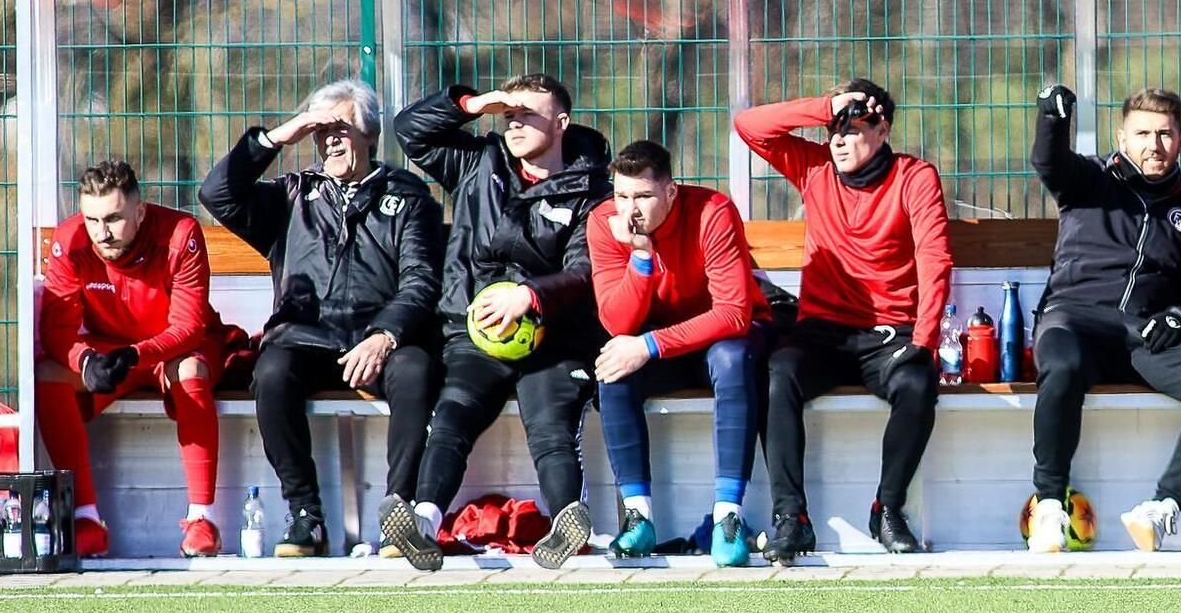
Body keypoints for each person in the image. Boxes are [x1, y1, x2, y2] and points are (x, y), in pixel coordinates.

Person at [199, 80, 443, 558]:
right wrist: (277, 138)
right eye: (319, 130)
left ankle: (401, 512)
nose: (329, 140)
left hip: (382, 338)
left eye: (340, 129)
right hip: (306, 337)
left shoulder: (409, 197)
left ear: (369, 134)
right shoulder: (291, 195)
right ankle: (305, 515)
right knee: (270, 374)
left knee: (417, 371)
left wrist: (385, 334)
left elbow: (421, 281)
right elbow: (217, 194)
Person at [379, 75, 611, 571]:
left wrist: (528, 296)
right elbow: (410, 132)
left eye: (528, 112)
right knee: (453, 415)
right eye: (509, 113)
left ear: (561, 123)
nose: (515, 121)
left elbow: (584, 269)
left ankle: (566, 521)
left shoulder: (592, 188)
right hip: (473, 333)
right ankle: (423, 523)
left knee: (551, 423)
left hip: (554, 336)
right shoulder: (477, 162)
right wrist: (473, 103)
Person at [1026, 84, 1181, 553]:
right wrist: (1052, 117)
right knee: (1062, 364)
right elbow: (1049, 162)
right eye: (1143, 133)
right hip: (1073, 321)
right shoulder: (1088, 180)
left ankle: (1162, 507)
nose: (1155, 144)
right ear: (1122, 137)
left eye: (1165, 134)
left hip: (1144, 336)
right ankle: (1049, 504)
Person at [736, 79, 952, 564]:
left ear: (883, 129)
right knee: (778, 375)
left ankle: (888, 508)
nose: (837, 139)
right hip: (822, 332)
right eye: (833, 128)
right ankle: (792, 517)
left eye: (853, 128)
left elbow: (934, 257)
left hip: (889, 334)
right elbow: (748, 126)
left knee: (918, 383)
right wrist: (825, 107)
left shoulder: (914, 177)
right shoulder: (815, 167)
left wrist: (925, 338)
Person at [36, 160, 242, 557]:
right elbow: (56, 331)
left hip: (174, 349)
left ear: (140, 211)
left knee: (189, 369)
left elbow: (189, 326)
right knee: (47, 374)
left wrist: (136, 354)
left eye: (113, 218)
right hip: (115, 353)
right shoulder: (70, 240)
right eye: (92, 219)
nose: (102, 232)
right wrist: (85, 361)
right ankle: (86, 520)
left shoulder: (181, 234)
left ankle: (202, 520)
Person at [587, 139, 770, 566]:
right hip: (663, 343)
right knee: (614, 364)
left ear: (670, 192)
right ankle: (638, 518)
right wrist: (639, 258)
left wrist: (649, 345)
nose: (630, 210)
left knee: (731, 358)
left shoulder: (714, 211)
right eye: (621, 196)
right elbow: (619, 323)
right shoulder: (602, 222)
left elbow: (733, 314)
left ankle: (729, 516)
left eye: (644, 196)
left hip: (723, 337)